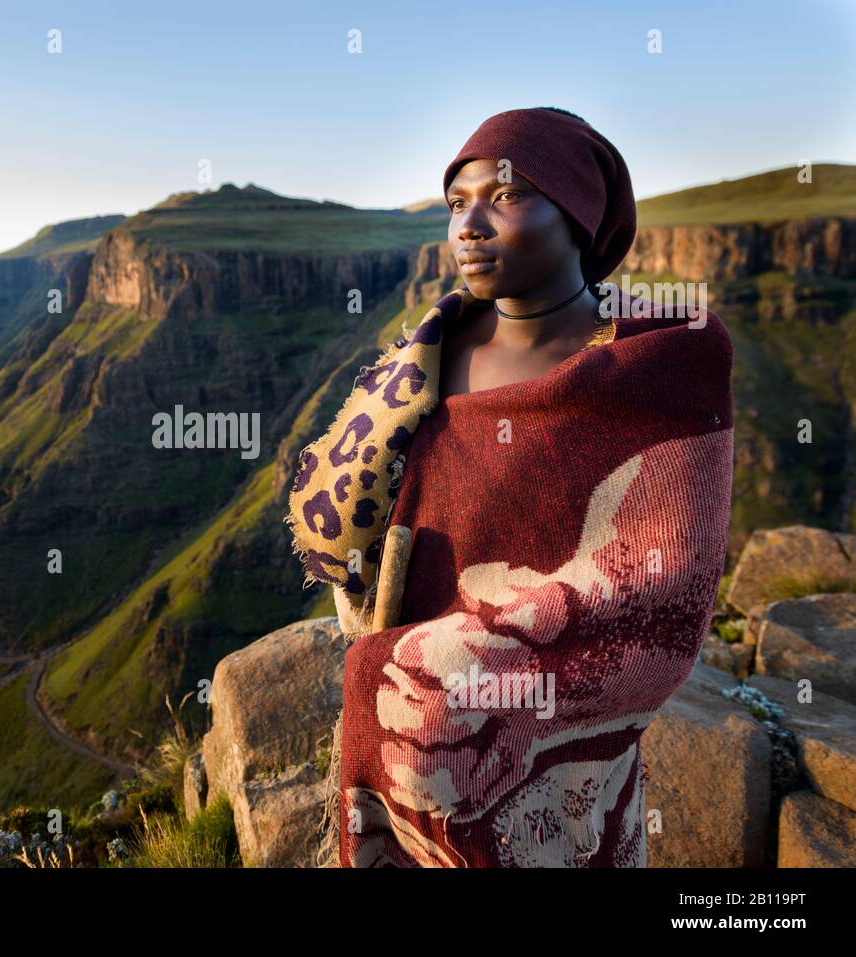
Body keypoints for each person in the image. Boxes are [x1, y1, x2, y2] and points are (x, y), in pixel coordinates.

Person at [285, 107, 735, 867]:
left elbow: (662, 595)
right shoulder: (428, 353)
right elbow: (357, 529)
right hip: (404, 760)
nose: (470, 224)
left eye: (504, 196)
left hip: (563, 784)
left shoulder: (664, 367)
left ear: (578, 215)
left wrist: (417, 670)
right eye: (457, 203)